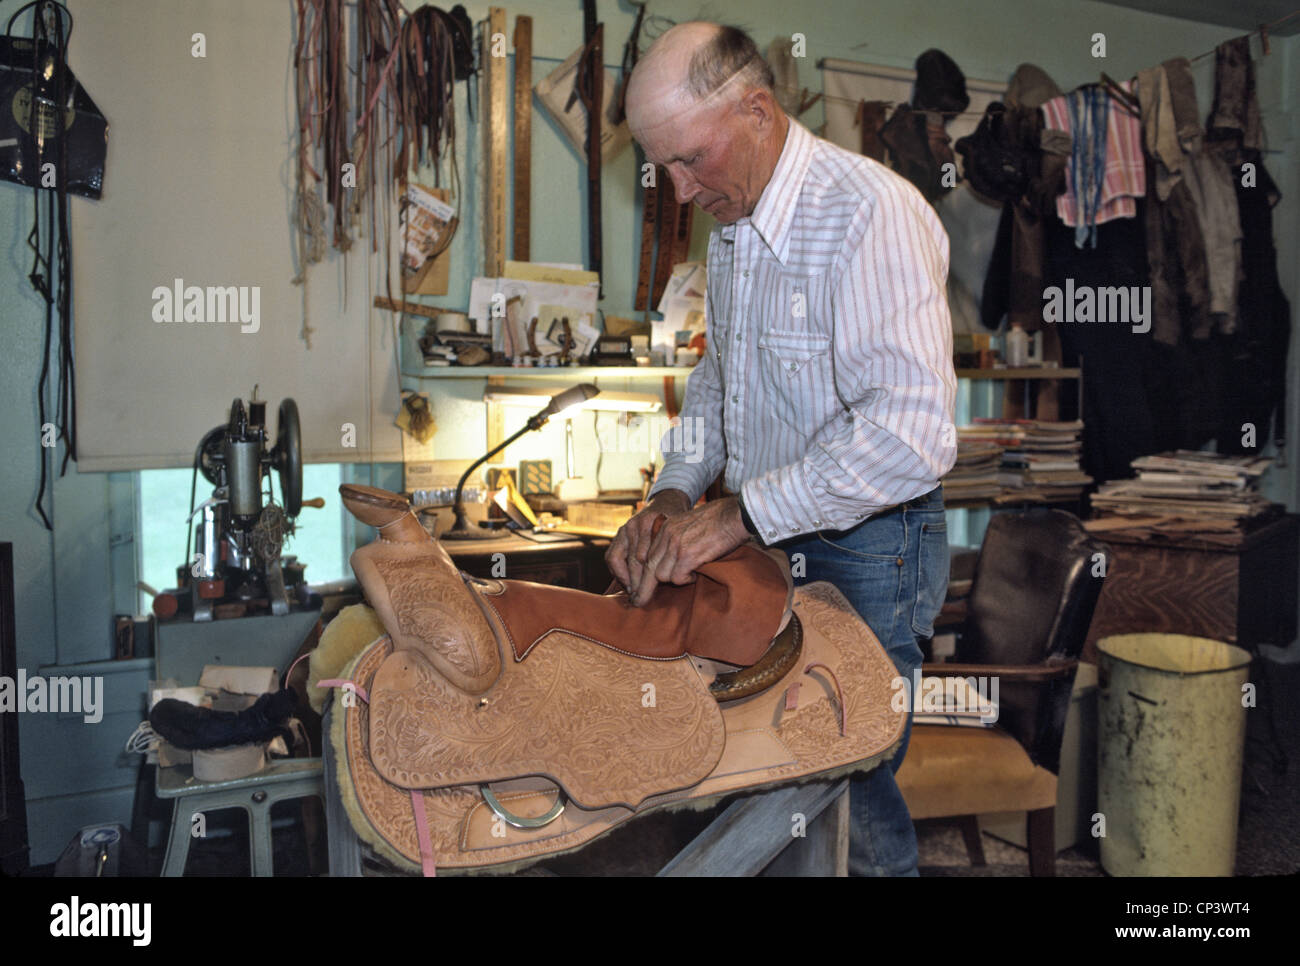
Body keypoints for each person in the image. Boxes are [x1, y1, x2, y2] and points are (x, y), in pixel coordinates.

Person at [610, 22, 957, 876]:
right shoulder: (734, 225)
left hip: (870, 545)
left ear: (757, 110)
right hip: (769, 537)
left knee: (851, 789)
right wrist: (674, 494)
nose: (682, 191)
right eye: (666, 169)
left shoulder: (871, 213)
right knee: (765, 772)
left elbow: (910, 436)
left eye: (690, 160)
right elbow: (721, 381)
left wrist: (741, 513)